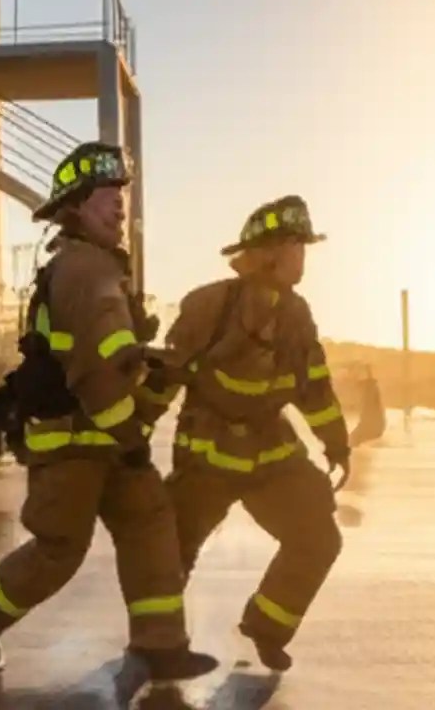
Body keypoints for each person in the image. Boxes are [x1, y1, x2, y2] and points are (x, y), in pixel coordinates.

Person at [0, 142, 217, 680]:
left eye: (121, 195)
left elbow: (108, 355)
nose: (119, 206)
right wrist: (131, 432)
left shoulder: (97, 267)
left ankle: (159, 643)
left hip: (103, 435)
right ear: (75, 207)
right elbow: (96, 369)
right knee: (60, 549)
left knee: (150, 522)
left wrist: (147, 366)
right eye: (106, 196)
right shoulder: (84, 269)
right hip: (74, 441)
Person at [139, 195, 349, 671]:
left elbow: (313, 386)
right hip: (207, 460)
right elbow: (165, 375)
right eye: (298, 246)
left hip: (270, 459)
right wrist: (134, 431)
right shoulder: (208, 305)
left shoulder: (297, 314)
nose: (304, 257)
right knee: (172, 552)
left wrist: (336, 443)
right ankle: (155, 644)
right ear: (272, 253)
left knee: (319, 538)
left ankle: (268, 624)